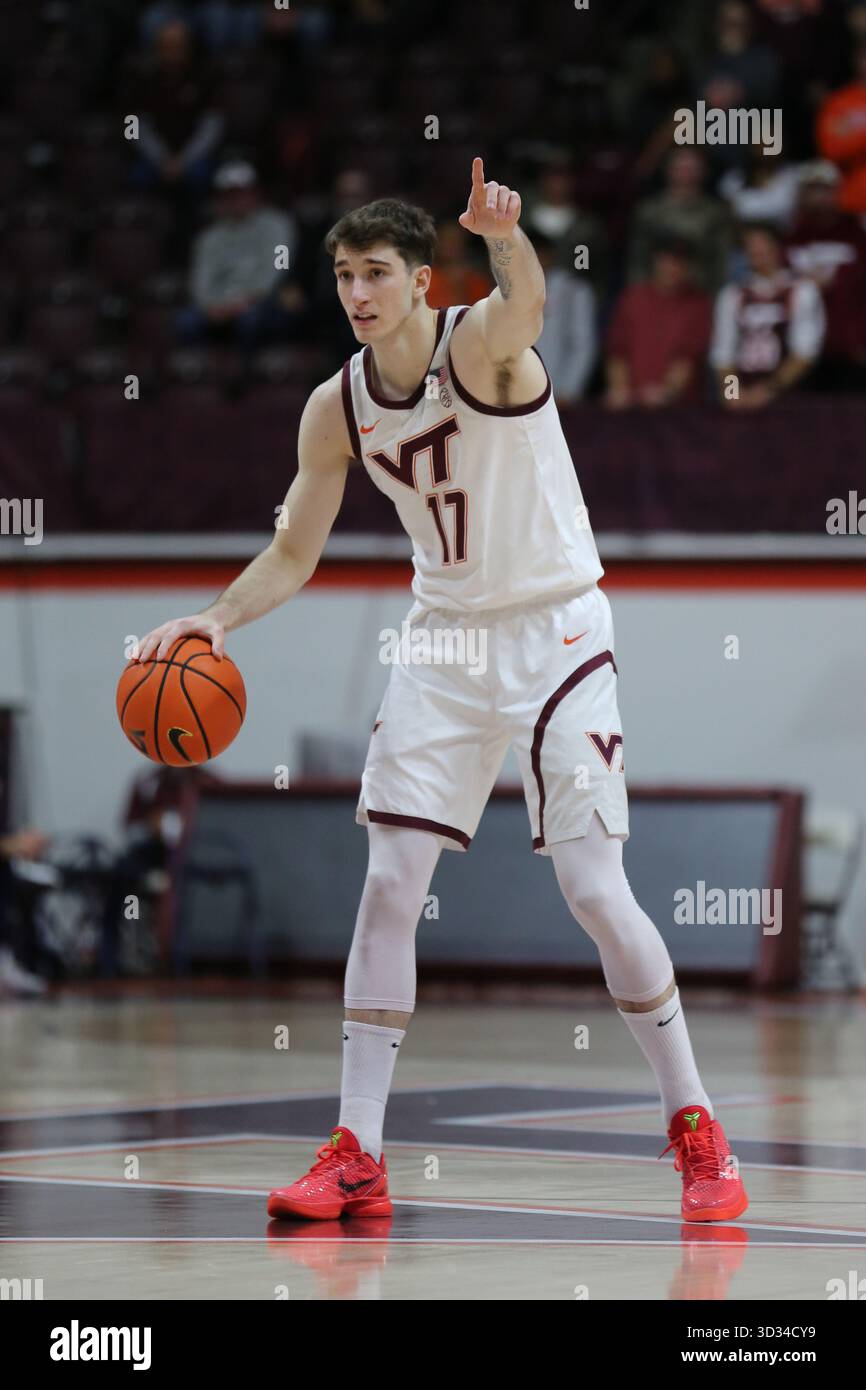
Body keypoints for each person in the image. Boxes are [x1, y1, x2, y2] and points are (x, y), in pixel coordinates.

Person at [136, 158, 749, 1227]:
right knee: (386, 884)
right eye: (341, 275)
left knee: (596, 895)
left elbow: (527, 305)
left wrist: (501, 237)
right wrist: (214, 620)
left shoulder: (477, 345)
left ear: (422, 280)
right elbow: (293, 549)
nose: (357, 293)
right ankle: (357, 1149)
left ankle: (693, 1123)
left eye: (376, 272)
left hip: (556, 630)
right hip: (443, 646)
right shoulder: (334, 407)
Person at [175, 161, 303, 352]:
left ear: (255, 192)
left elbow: (276, 271)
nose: (237, 199)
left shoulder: (278, 225)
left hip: (263, 301)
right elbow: (200, 279)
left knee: (250, 320)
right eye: (230, 194)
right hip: (217, 306)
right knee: (185, 321)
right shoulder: (209, 237)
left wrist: (242, 303)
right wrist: (210, 306)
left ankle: (246, 374)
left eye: (242, 192)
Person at [711, 221, 825, 408]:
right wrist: (732, 393)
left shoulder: (801, 291)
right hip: (744, 392)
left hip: (791, 398)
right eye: (751, 247)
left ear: (777, 248)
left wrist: (769, 389)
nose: (758, 252)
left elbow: (805, 352)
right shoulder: (732, 295)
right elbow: (724, 352)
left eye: (763, 245)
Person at [605, 237, 711, 408]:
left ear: (688, 267)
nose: (671, 268)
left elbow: (689, 357)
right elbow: (617, 351)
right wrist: (619, 389)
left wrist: (667, 391)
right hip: (629, 407)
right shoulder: (632, 298)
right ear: (655, 261)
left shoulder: (698, 304)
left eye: (678, 263)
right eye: (666, 261)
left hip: (680, 412)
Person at [532, 230, 596, 406]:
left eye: (536, 254)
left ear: (548, 255)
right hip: (517, 395)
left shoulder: (574, 289)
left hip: (559, 392)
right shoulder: (505, 290)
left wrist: (569, 389)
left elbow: (582, 344)